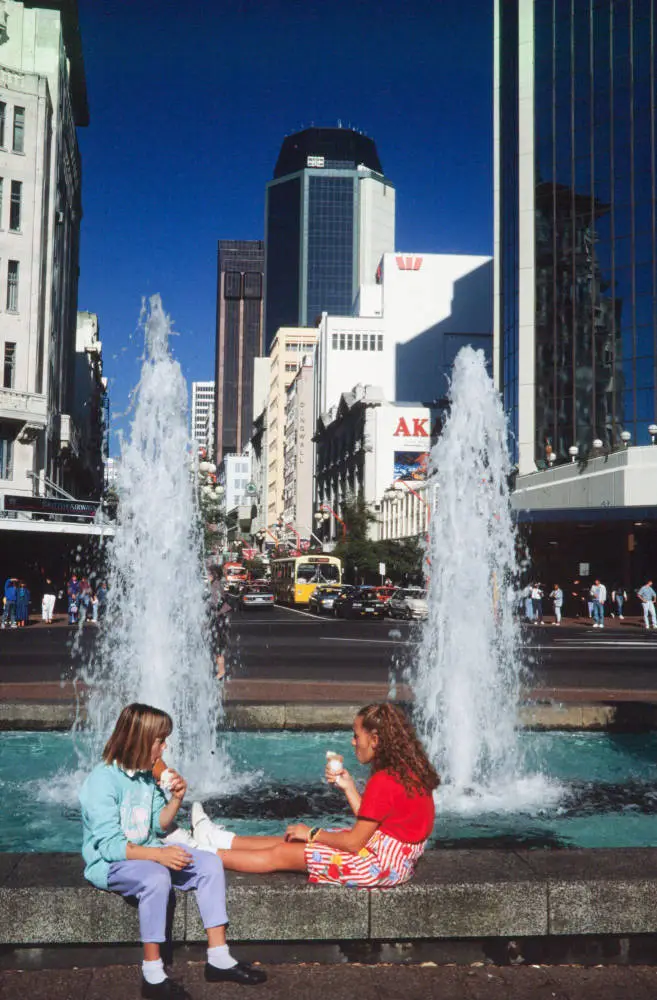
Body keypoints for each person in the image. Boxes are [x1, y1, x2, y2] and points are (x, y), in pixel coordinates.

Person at [79, 703, 266, 999]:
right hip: (111, 864)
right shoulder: (102, 781)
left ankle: (218, 957)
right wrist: (158, 855)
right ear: (140, 741)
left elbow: (156, 824)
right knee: (156, 877)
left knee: (208, 864)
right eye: (160, 741)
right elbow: (110, 846)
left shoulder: (144, 778)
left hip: (146, 851)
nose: (165, 748)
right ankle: (152, 973)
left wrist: (176, 800)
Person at [184, 703, 438, 888]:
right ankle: (217, 838)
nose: (352, 742)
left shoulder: (383, 781)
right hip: (393, 860)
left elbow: (353, 843)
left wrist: (312, 833)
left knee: (282, 854)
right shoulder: (407, 772)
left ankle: (199, 853)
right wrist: (349, 787)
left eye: (356, 735)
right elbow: (374, 822)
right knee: (290, 841)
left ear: (374, 739)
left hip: (376, 867)